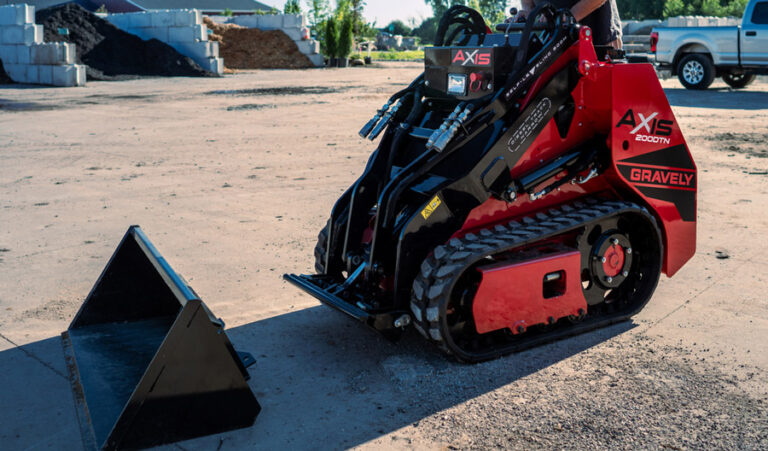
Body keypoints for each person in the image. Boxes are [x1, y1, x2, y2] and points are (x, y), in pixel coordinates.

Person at [514, 0, 623, 48]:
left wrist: (569, 16)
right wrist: (528, 12)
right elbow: (527, 3)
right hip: (552, 44)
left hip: (598, 38)